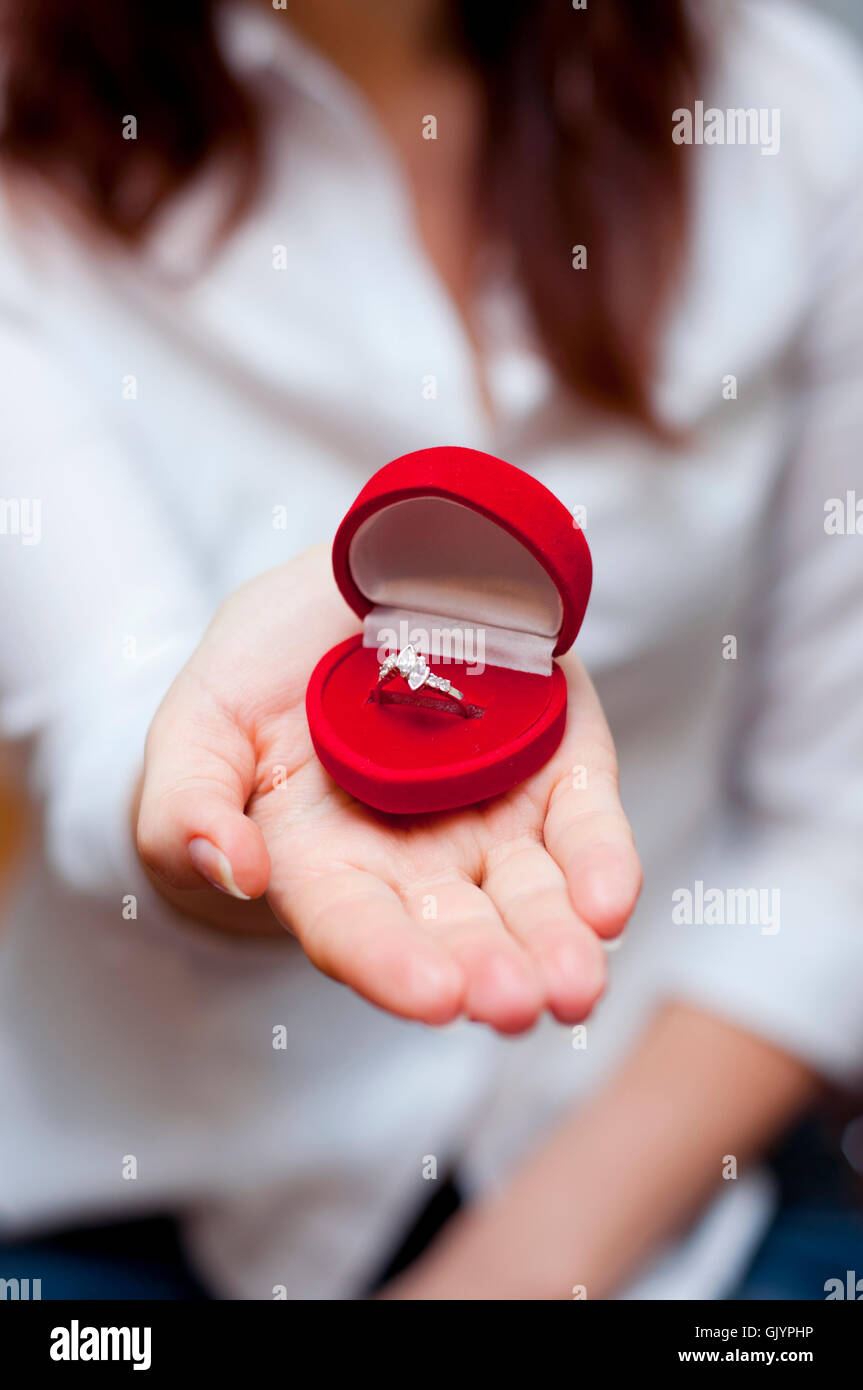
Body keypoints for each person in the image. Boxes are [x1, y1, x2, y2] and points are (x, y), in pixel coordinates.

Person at [0, 0, 861, 1299]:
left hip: (669, 1174)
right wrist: (230, 806)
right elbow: (111, 706)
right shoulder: (31, 151)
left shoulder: (784, 122)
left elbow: (839, 821)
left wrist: (517, 1272)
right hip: (149, 1192)